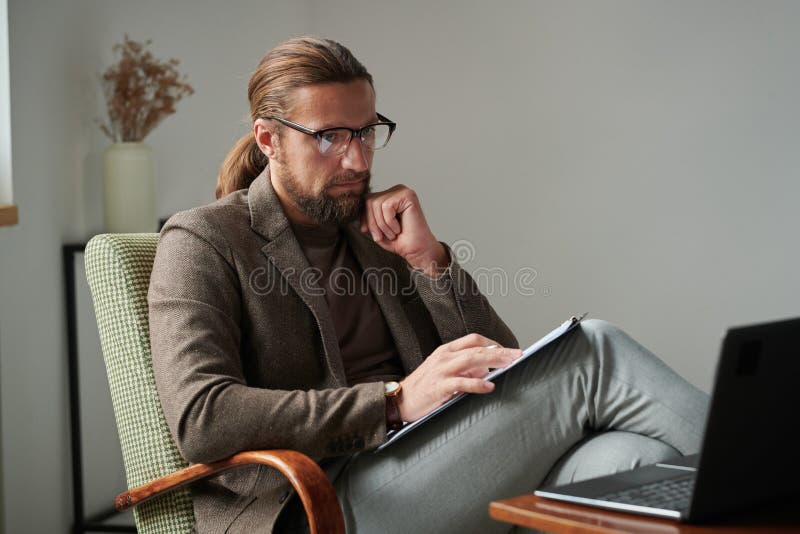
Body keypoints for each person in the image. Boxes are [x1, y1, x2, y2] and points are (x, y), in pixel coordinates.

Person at [149, 36, 708, 533]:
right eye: (329, 137)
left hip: (431, 470)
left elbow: (500, 361)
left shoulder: (374, 230)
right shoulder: (203, 240)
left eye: (367, 132)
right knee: (595, 350)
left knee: (630, 457)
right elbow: (204, 418)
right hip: (314, 504)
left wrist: (429, 261)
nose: (356, 157)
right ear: (268, 140)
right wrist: (393, 402)